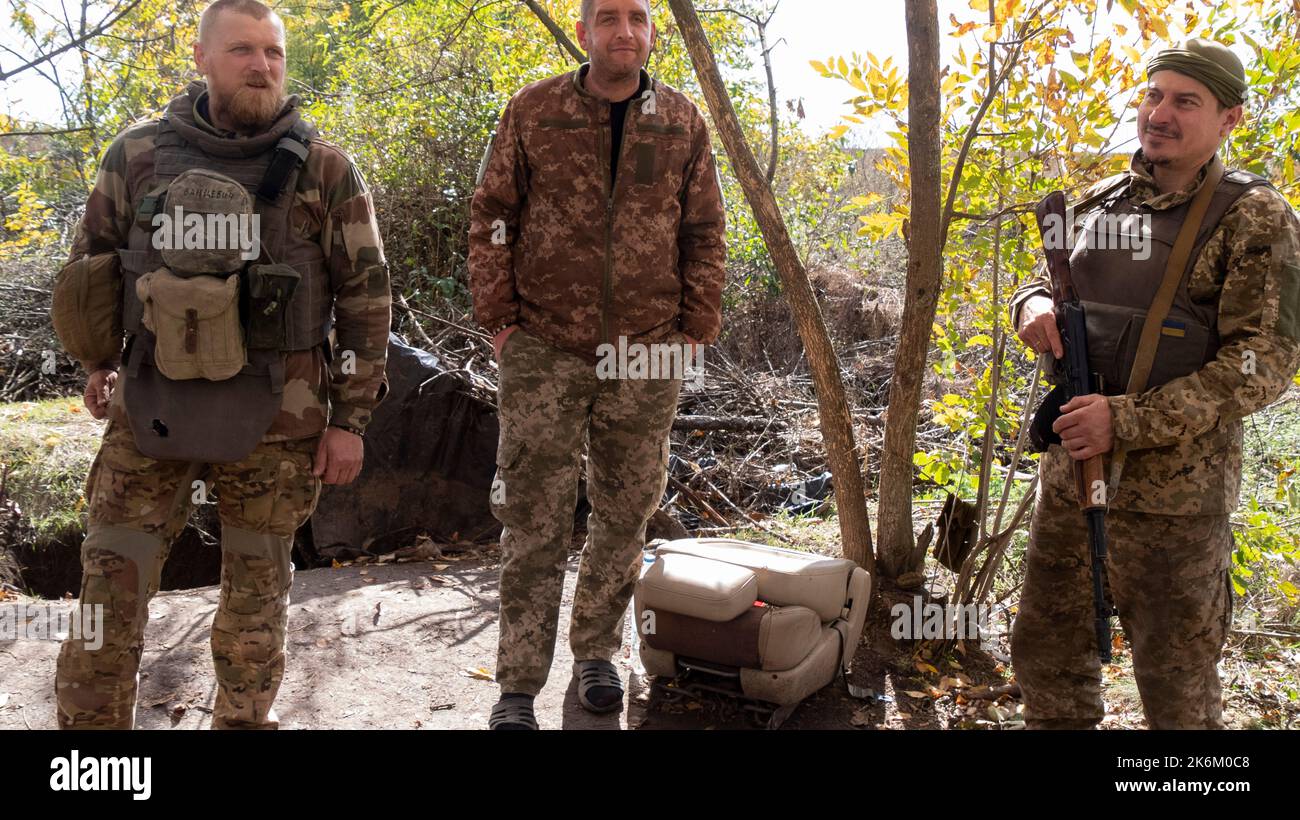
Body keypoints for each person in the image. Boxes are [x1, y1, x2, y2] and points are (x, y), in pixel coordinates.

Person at [54, 0, 391, 729]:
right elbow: (91, 267)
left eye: (273, 51)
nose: (262, 66)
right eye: (243, 50)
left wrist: (352, 419)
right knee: (108, 589)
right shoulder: (137, 154)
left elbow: (367, 297)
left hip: (283, 415)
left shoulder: (326, 168)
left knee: (256, 598)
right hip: (150, 405)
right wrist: (95, 361)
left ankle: (240, 722)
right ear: (202, 58)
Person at [1009, 39, 1300, 729]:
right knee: (1045, 660)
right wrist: (1031, 306)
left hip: (1175, 510)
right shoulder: (1105, 200)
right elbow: (1046, 284)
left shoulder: (1254, 218)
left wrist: (1127, 420)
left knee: (1177, 693)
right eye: (1154, 94)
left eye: (1185, 101)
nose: (1159, 113)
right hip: (1073, 480)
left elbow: (1263, 365)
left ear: (1229, 118)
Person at [468, 0, 726, 729]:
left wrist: (693, 332)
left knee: (623, 514)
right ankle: (516, 687)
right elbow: (492, 214)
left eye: (637, 18)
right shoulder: (534, 109)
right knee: (533, 518)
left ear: (652, 33)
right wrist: (501, 321)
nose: (624, 31)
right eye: (607, 17)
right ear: (583, 31)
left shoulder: (680, 120)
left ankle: (597, 657)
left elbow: (705, 230)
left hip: (647, 349)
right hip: (545, 349)